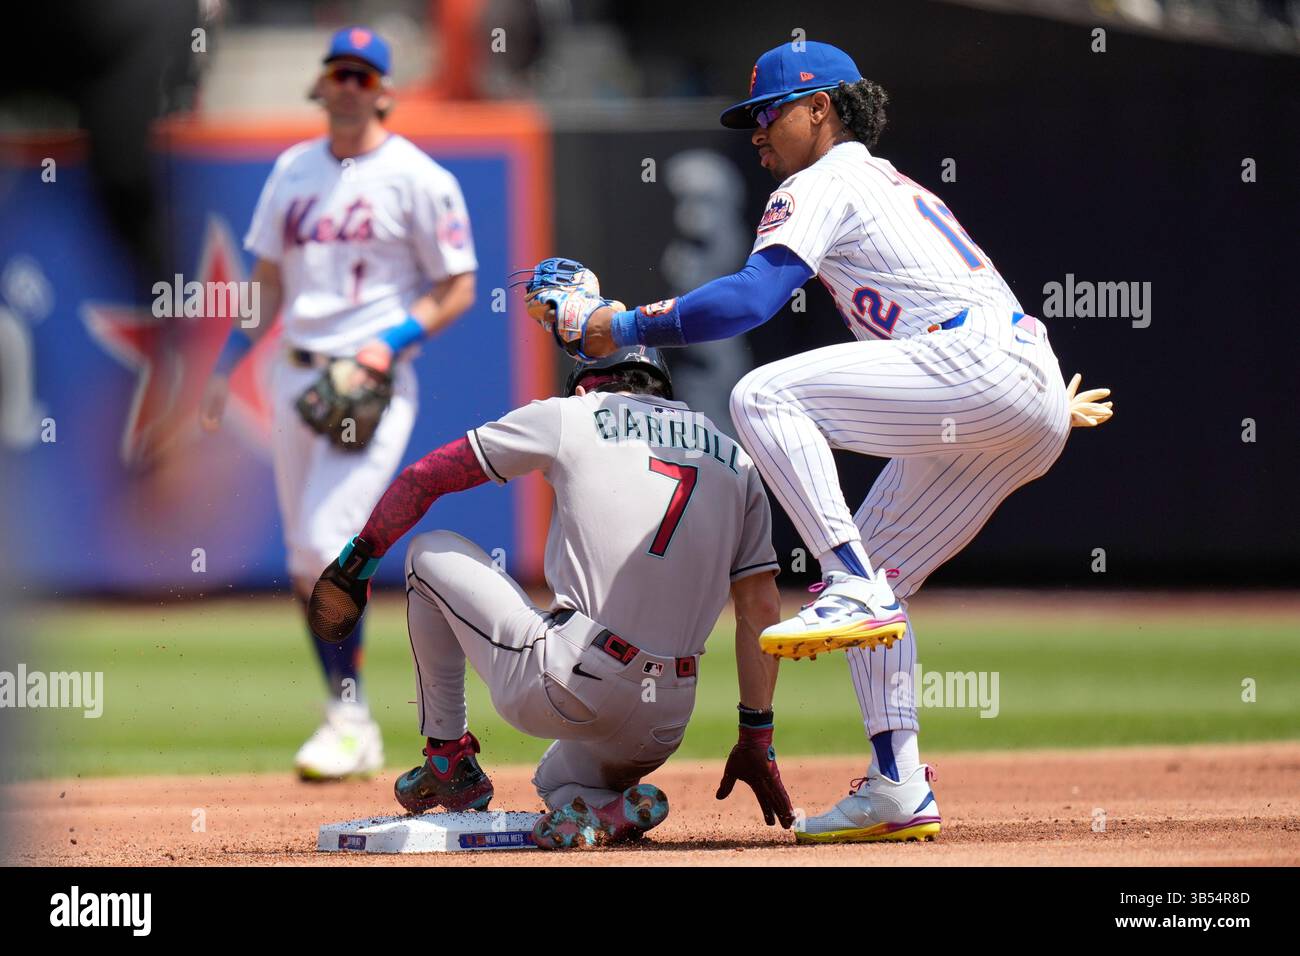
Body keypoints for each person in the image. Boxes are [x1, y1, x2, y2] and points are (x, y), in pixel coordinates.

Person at [526, 42, 1112, 843]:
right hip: (1016, 388)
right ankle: (898, 783)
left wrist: (619, 325)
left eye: (767, 115)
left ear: (820, 109)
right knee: (887, 578)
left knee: (762, 393)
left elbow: (750, 300)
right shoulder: (880, 185)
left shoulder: (826, 178)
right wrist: (1027, 400)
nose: (757, 135)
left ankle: (847, 578)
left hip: (984, 367)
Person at [306, 345, 795, 848]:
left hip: (573, 682)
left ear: (587, 384)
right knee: (557, 781)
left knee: (426, 557)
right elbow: (759, 608)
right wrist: (756, 736)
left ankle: (446, 759)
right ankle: (607, 810)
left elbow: (424, 479)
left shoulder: (573, 415)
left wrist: (357, 561)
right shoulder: (734, 458)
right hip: (663, 721)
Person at [200, 26, 478, 780]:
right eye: (339, 72)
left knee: (328, 542)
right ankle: (347, 713)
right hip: (295, 373)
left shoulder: (417, 177)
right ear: (320, 85)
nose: (350, 84)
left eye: (364, 74)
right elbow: (267, 285)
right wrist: (226, 365)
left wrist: (389, 339)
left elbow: (458, 286)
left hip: (370, 376)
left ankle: (351, 721)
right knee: (302, 558)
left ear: (384, 89)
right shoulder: (292, 170)